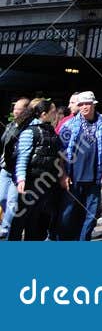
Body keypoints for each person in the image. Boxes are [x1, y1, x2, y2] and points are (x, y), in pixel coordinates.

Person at [56, 91, 102, 240]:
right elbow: (60, 152)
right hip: (73, 178)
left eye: (87, 103)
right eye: (81, 104)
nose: (84, 107)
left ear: (93, 104)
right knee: (68, 214)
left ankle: (83, 241)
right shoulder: (69, 125)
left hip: (95, 178)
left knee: (92, 215)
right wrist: (63, 174)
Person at [9, 99, 64, 241]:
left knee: (38, 220)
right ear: (44, 114)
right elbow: (22, 157)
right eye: (53, 112)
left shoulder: (50, 131)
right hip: (31, 181)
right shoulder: (30, 131)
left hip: (46, 183)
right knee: (21, 219)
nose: (56, 114)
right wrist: (21, 179)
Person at [1, 96, 28, 239]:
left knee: (12, 201)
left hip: (16, 170)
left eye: (19, 109)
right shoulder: (11, 125)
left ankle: (5, 228)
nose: (15, 111)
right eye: (15, 109)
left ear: (26, 111)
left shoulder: (27, 128)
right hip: (4, 168)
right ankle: (7, 223)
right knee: (2, 198)